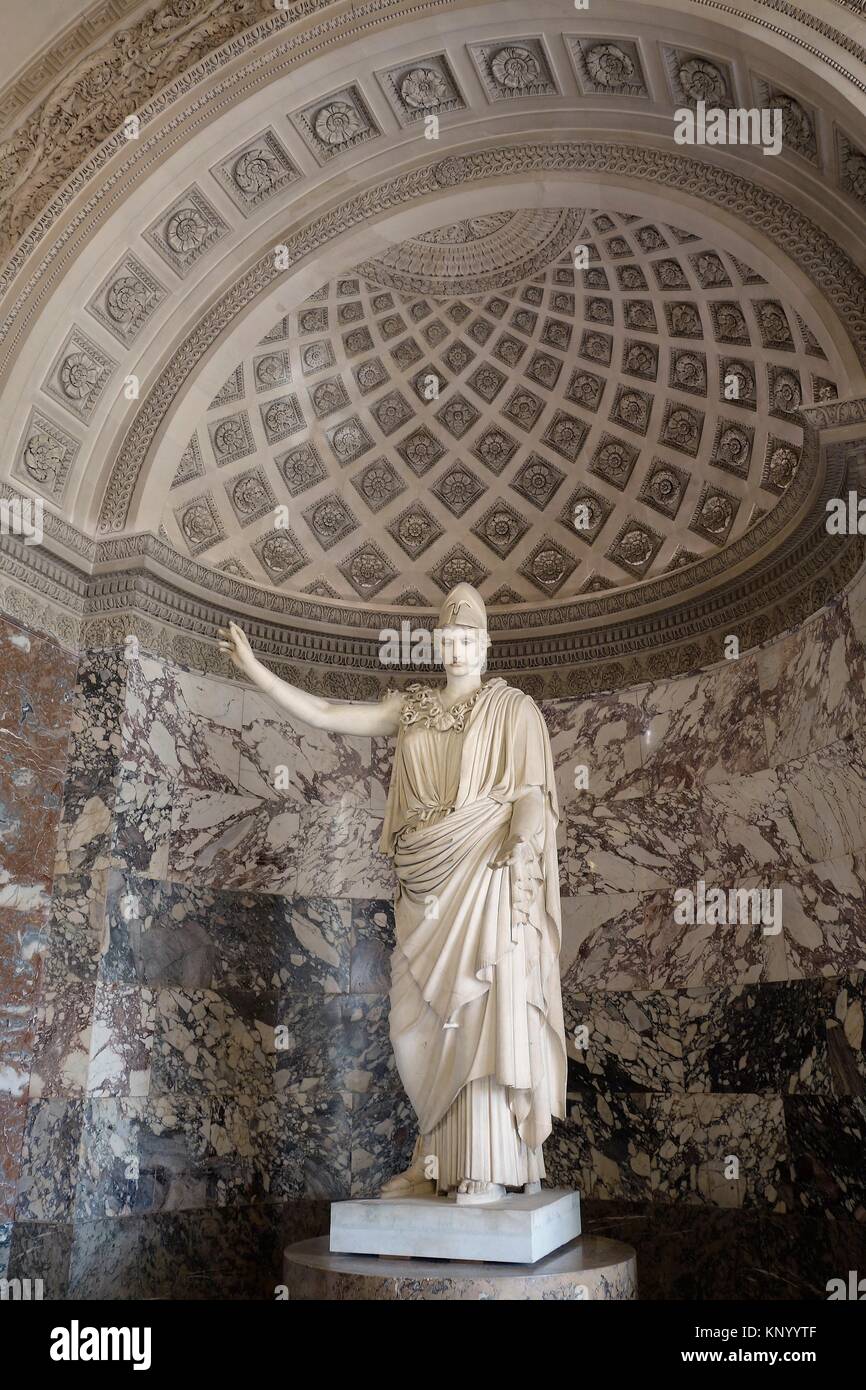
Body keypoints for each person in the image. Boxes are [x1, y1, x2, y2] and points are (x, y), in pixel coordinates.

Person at [219, 582, 566, 1204]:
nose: (457, 647)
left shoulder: (513, 710)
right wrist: (257, 671)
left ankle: (485, 1162)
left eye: (468, 637)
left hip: (485, 872)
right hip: (424, 880)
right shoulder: (413, 709)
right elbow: (327, 713)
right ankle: (434, 1160)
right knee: (415, 1025)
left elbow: (532, 795)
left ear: (486, 643)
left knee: (478, 1010)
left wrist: (520, 843)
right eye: (448, 637)